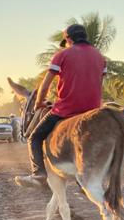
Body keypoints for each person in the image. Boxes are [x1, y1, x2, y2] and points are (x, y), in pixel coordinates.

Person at [17, 23, 107, 187]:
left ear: (68, 39)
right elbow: (100, 85)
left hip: (66, 110)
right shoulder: (101, 58)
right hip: (93, 110)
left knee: (34, 138)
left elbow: (45, 86)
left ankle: (38, 174)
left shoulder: (62, 55)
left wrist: (38, 103)